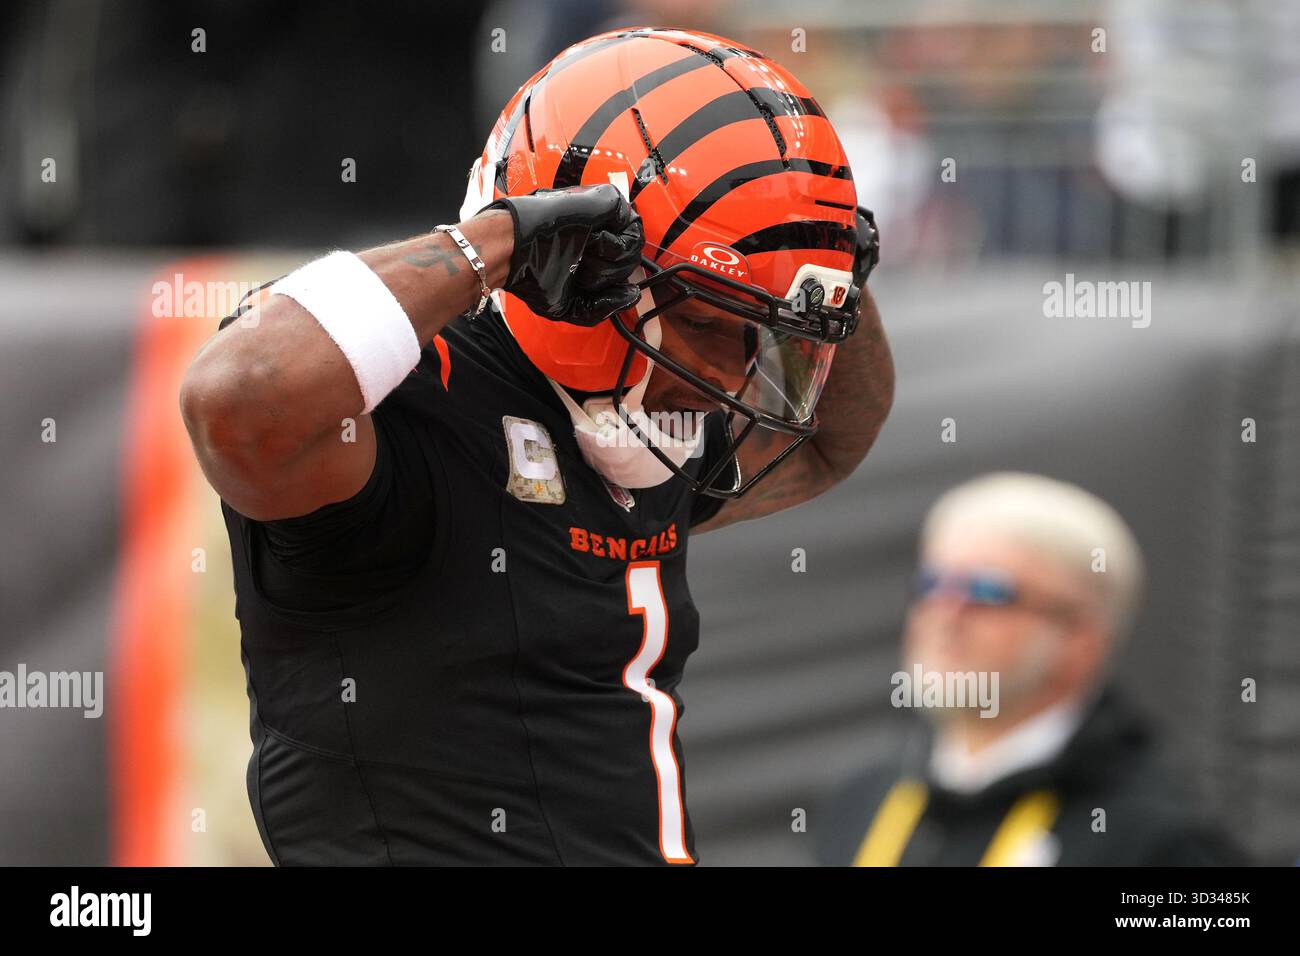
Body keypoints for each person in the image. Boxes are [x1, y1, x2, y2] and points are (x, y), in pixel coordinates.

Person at [180, 27, 893, 865]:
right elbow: (236, 400)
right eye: (705, 323)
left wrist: (819, 260)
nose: (732, 382)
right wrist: (494, 241)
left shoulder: (638, 423)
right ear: (585, 251)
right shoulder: (414, 400)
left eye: (757, 340)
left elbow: (830, 445)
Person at [815, 472, 1246, 866]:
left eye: (985, 591)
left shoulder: (1158, 839)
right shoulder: (863, 798)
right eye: (931, 585)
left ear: (1080, 639)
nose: (944, 614)